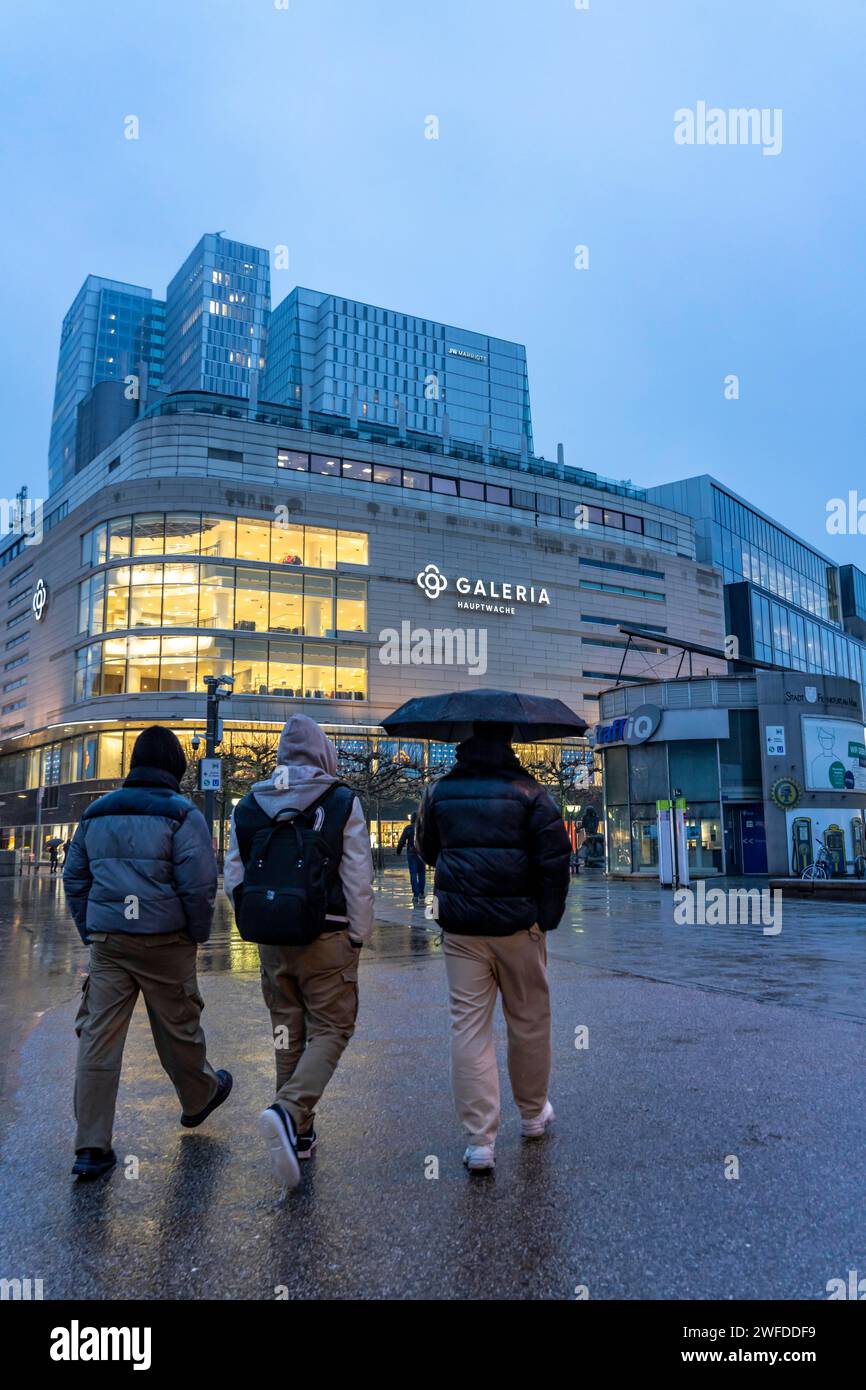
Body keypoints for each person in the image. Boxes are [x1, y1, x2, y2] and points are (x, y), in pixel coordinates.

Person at [63, 726, 229, 1182]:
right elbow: (198, 885)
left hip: (109, 943)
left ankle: (92, 1146)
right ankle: (198, 1098)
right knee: (178, 1025)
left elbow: (74, 879)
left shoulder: (95, 813)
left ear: (134, 762)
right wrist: (194, 935)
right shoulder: (181, 813)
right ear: (176, 764)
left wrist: (91, 928)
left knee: (99, 1036)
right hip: (165, 939)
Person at [223, 714, 374, 1192]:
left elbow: (234, 876)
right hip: (327, 937)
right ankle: (288, 1114)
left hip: (272, 942)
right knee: (332, 1028)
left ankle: (301, 1135)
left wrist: (261, 918)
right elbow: (357, 879)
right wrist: (357, 936)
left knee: (287, 1030)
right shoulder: (342, 800)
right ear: (324, 753)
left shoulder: (247, 804)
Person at [416, 721, 571, 1174]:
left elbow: (428, 850)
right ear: (508, 748)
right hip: (520, 927)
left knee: (468, 1027)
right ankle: (532, 1114)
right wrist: (547, 918)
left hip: (463, 929)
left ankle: (480, 1141)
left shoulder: (439, 792)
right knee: (529, 1022)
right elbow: (555, 859)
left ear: (464, 748)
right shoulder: (532, 793)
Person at [395, 811, 426, 906]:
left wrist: (398, 851)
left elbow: (402, 841)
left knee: (413, 873)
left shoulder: (408, 828)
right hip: (422, 853)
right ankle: (421, 893)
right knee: (422, 873)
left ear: (411, 819)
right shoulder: (424, 828)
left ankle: (416, 894)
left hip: (412, 853)